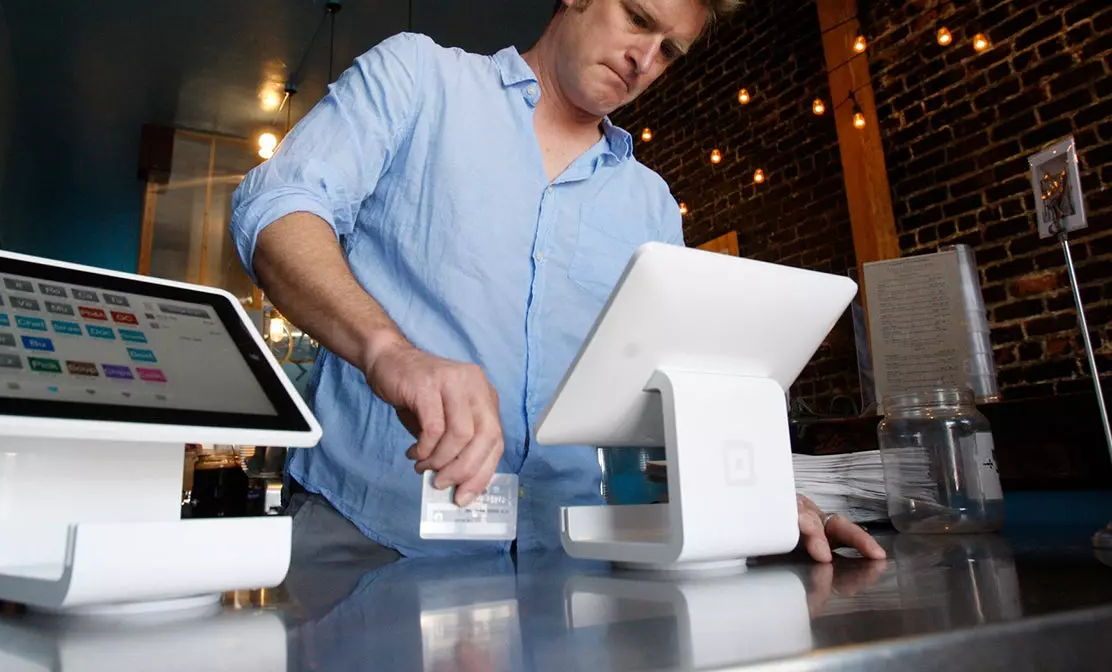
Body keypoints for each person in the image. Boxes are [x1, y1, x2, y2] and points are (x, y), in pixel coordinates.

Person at [231, 0, 886, 564]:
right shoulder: (419, 78)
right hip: (366, 537)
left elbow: (680, 389)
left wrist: (762, 503)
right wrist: (387, 350)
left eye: (669, 51)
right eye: (637, 18)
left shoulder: (650, 203)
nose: (644, 59)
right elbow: (278, 209)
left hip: (569, 560)